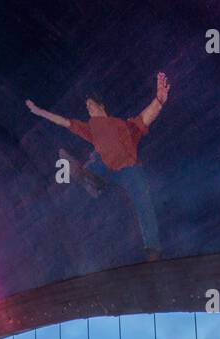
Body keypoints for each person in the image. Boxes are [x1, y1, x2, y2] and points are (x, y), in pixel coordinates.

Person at [26, 72, 170, 260]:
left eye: (90, 105)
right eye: (86, 107)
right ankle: (89, 179)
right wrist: (39, 111)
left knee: (144, 205)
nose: (88, 109)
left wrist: (159, 100)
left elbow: (145, 117)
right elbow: (63, 121)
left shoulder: (123, 125)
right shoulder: (90, 128)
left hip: (131, 171)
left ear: (101, 106)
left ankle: (153, 251)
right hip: (107, 170)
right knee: (95, 158)